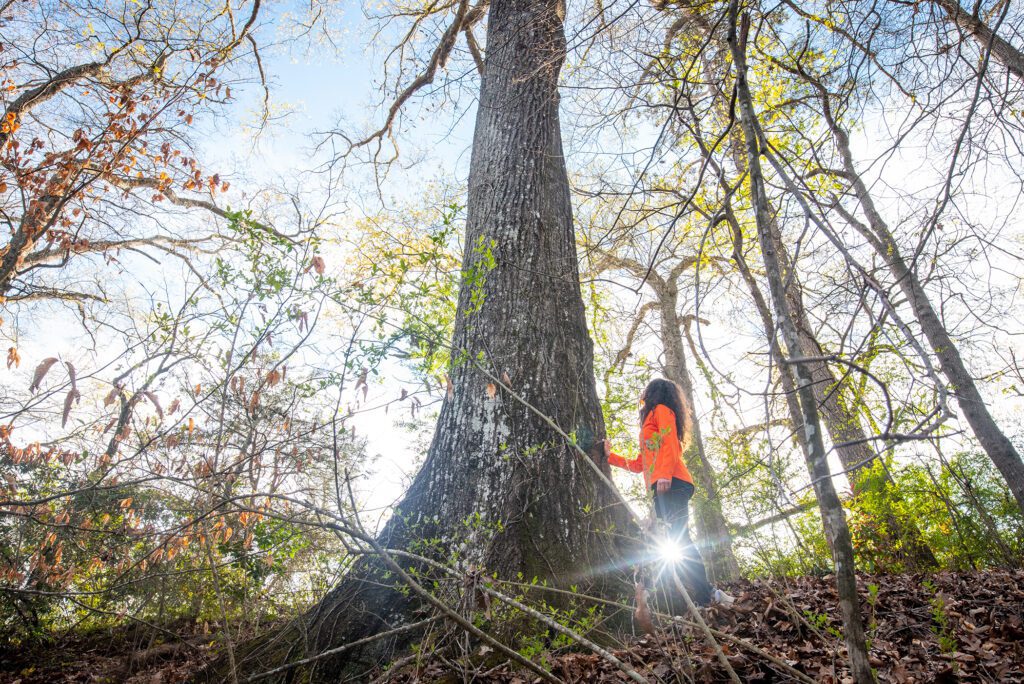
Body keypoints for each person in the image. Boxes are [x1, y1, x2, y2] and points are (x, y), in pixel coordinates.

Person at [604, 378, 734, 608]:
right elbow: (638, 464)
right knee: (670, 541)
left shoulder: (661, 410)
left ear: (654, 393)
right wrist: (609, 456)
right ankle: (695, 596)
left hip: (672, 482)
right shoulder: (649, 421)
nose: (642, 396)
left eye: (646, 392)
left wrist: (663, 473)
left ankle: (709, 595)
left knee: (678, 540)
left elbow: (670, 442)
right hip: (664, 484)